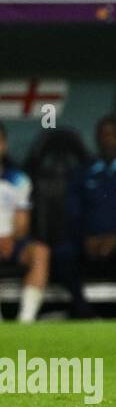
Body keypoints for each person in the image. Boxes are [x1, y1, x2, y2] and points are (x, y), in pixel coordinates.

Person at [53, 116, 116, 318]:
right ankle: (84, 313)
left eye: (114, 136)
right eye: (104, 136)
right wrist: (85, 239)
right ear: (97, 140)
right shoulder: (82, 173)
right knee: (62, 254)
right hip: (89, 245)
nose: (109, 140)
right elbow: (72, 214)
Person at [0, 123, 49, 323]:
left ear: (3, 145)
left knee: (40, 252)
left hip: (12, 242)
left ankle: (26, 320)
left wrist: (11, 238)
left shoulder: (18, 179)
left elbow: (22, 220)